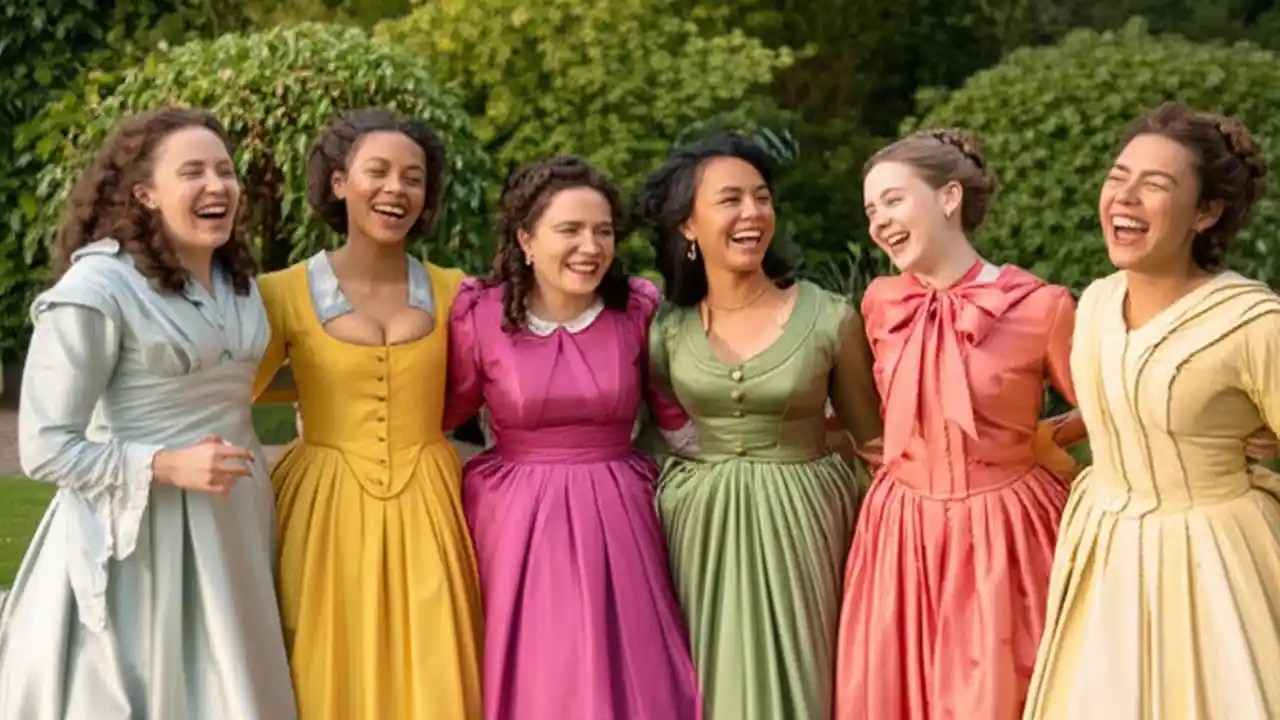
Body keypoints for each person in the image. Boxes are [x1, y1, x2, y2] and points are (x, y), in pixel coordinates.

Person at [0, 107, 297, 719]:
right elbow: (45, 445)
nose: (217, 186)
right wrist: (165, 465)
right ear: (146, 193)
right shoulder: (96, 290)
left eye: (225, 170)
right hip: (138, 539)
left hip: (235, 525)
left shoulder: (240, 283)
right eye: (192, 172)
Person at [1024, 101, 1280, 719]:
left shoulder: (1254, 321)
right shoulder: (1095, 303)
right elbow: (1123, 401)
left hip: (1216, 561)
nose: (1126, 197)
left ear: (1207, 213)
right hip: (1104, 552)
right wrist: (1051, 443)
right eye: (1119, 177)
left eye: (1156, 185)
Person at [836, 129, 1085, 720]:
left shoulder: (1042, 305)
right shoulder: (879, 302)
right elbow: (873, 410)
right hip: (899, 534)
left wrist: (1052, 439)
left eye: (894, 200)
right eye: (871, 209)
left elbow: (1110, 406)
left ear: (949, 198)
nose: (880, 222)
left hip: (1005, 537)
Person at [444, 156, 701, 720]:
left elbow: (677, 419)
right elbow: (441, 413)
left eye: (603, 231)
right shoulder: (480, 315)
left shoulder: (635, 309)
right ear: (526, 239)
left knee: (632, 671)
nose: (591, 246)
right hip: (512, 525)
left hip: (619, 514)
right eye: (571, 230)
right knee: (536, 672)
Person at [638, 133, 883, 720]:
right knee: (708, 675)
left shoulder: (830, 317)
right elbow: (655, 430)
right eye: (730, 200)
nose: (752, 213)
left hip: (805, 517)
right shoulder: (666, 331)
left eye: (762, 197)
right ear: (688, 226)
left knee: (808, 668)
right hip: (701, 528)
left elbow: (871, 439)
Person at [253, 108, 481, 719]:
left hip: (431, 499)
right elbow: (220, 395)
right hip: (321, 507)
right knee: (323, 659)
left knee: (435, 662)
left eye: (413, 177)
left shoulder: (459, 291)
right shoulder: (280, 294)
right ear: (338, 183)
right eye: (376, 172)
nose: (395, 189)